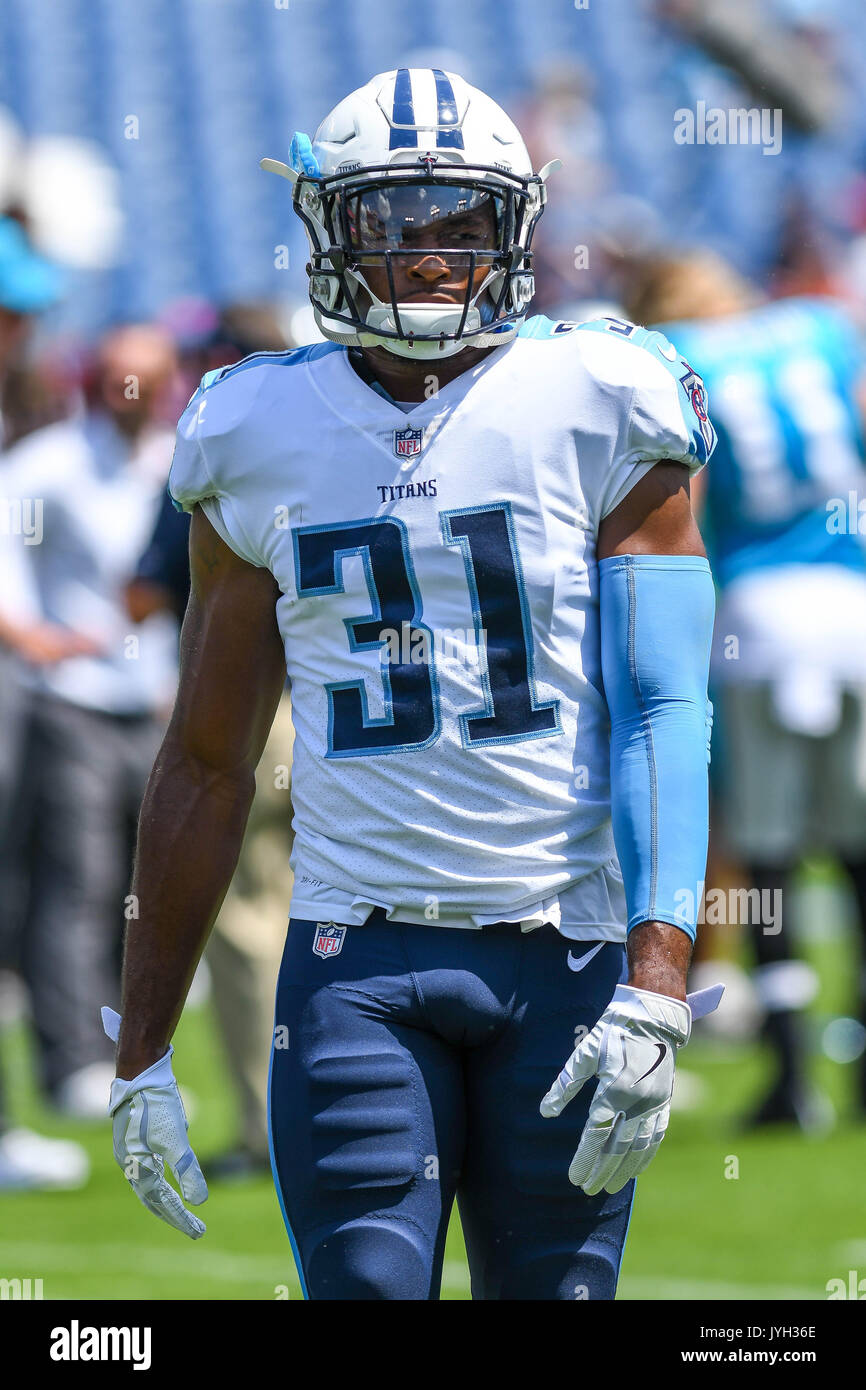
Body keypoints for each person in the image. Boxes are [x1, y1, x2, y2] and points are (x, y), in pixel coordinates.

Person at [106, 69, 719, 1301]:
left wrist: (659, 983)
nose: (432, 256)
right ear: (331, 231)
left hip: (569, 945)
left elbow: (666, 705)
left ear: (515, 229)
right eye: (393, 221)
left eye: (461, 222)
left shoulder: (602, 395)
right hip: (356, 962)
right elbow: (208, 756)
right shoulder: (253, 426)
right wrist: (141, 1051)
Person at [627, 250, 866, 1127]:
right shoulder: (817, 330)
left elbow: (677, 503)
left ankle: (794, 1077)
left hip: (760, 614)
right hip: (854, 604)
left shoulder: (673, 356)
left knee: (765, 857)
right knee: (855, 851)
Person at [0, 323, 180, 1117]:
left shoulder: (180, 457)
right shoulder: (49, 463)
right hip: (71, 698)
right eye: (113, 377)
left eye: (141, 378)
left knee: (145, 887)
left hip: (154, 700)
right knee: (77, 881)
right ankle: (70, 1056)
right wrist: (29, 635)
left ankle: (127, 1043)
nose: (126, 394)